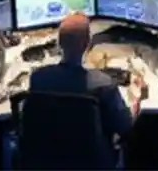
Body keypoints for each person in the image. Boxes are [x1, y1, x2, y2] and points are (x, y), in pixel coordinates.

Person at [28, 14, 143, 166]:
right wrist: (136, 102)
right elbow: (124, 127)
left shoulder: (38, 78)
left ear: (59, 42)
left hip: (47, 160)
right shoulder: (103, 84)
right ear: (87, 44)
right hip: (92, 162)